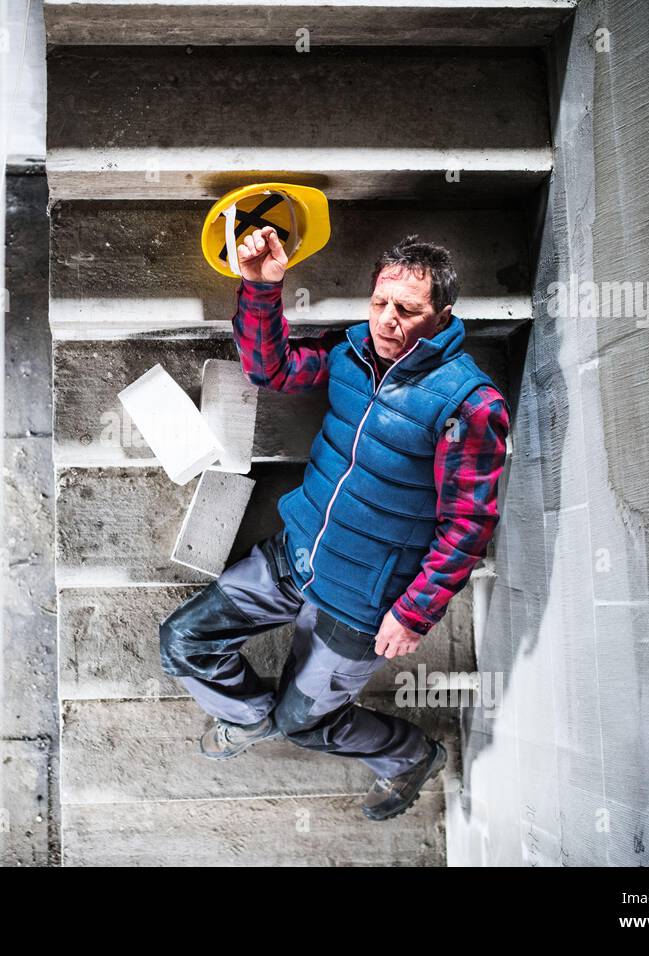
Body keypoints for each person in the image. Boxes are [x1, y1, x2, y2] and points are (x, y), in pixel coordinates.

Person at [159, 227, 510, 821]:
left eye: (407, 309)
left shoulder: (471, 406)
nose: (387, 320)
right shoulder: (350, 354)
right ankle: (249, 720)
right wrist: (261, 287)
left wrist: (413, 613)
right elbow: (271, 370)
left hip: (361, 602)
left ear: (444, 315)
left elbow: (467, 527)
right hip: (294, 556)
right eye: (379, 303)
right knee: (184, 641)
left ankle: (408, 755)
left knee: (306, 725)